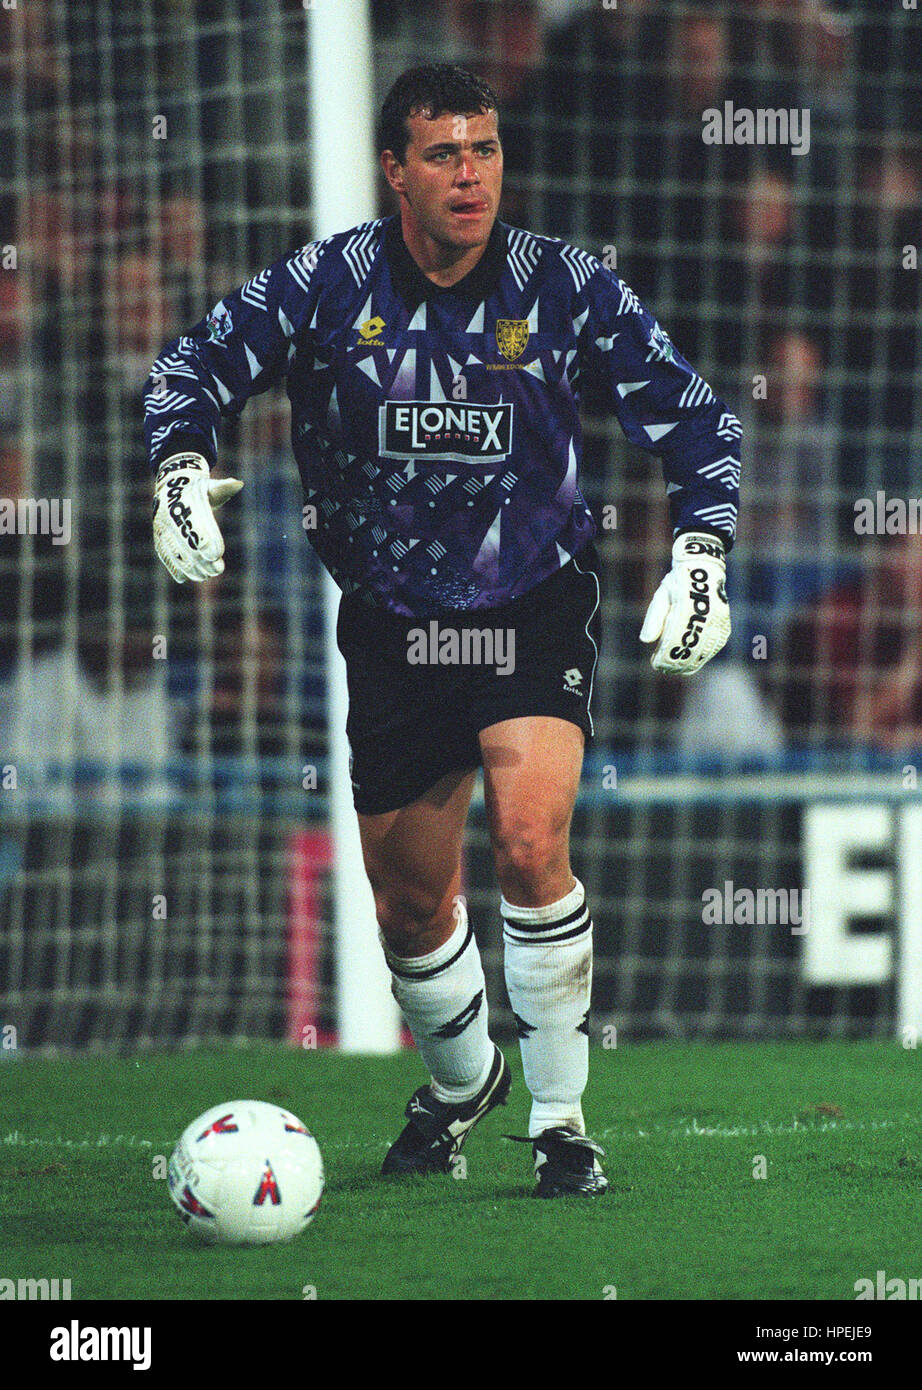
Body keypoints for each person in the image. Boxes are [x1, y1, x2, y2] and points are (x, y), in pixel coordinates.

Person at [143, 64, 740, 1197]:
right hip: (390, 621)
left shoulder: (563, 285)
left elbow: (699, 417)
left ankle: (563, 1123)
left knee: (527, 840)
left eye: (486, 150)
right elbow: (190, 366)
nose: (471, 176)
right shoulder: (326, 285)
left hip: (531, 600)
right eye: (443, 155)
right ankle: (464, 1086)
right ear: (394, 170)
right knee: (411, 902)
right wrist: (178, 466)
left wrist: (702, 548)